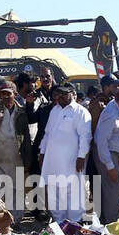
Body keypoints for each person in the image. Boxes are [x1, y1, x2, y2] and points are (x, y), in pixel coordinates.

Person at [39, 82, 92, 223]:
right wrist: (42, 152)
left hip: (71, 161)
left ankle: (74, 224)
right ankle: (59, 224)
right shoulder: (54, 110)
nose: (60, 97)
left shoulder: (81, 112)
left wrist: (81, 157)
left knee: (73, 193)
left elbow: (85, 137)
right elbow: (47, 134)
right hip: (52, 161)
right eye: (58, 94)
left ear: (72, 94)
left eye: (64, 94)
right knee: (54, 193)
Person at [0, 83, 29, 219]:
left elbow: (26, 137)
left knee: (16, 188)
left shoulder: (22, 112)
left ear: (15, 94)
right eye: (3, 94)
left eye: (8, 94)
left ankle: (14, 219)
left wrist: (28, 160)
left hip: (15, 153)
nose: (5, 97)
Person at [93, 84, 119, 224]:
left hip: (117, 154)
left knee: (113, 189)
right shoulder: (110, 115)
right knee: (112, 190)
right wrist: (110, 166)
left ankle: (107, 221)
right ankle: (110, 224)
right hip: (108, 154)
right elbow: (101, 141)